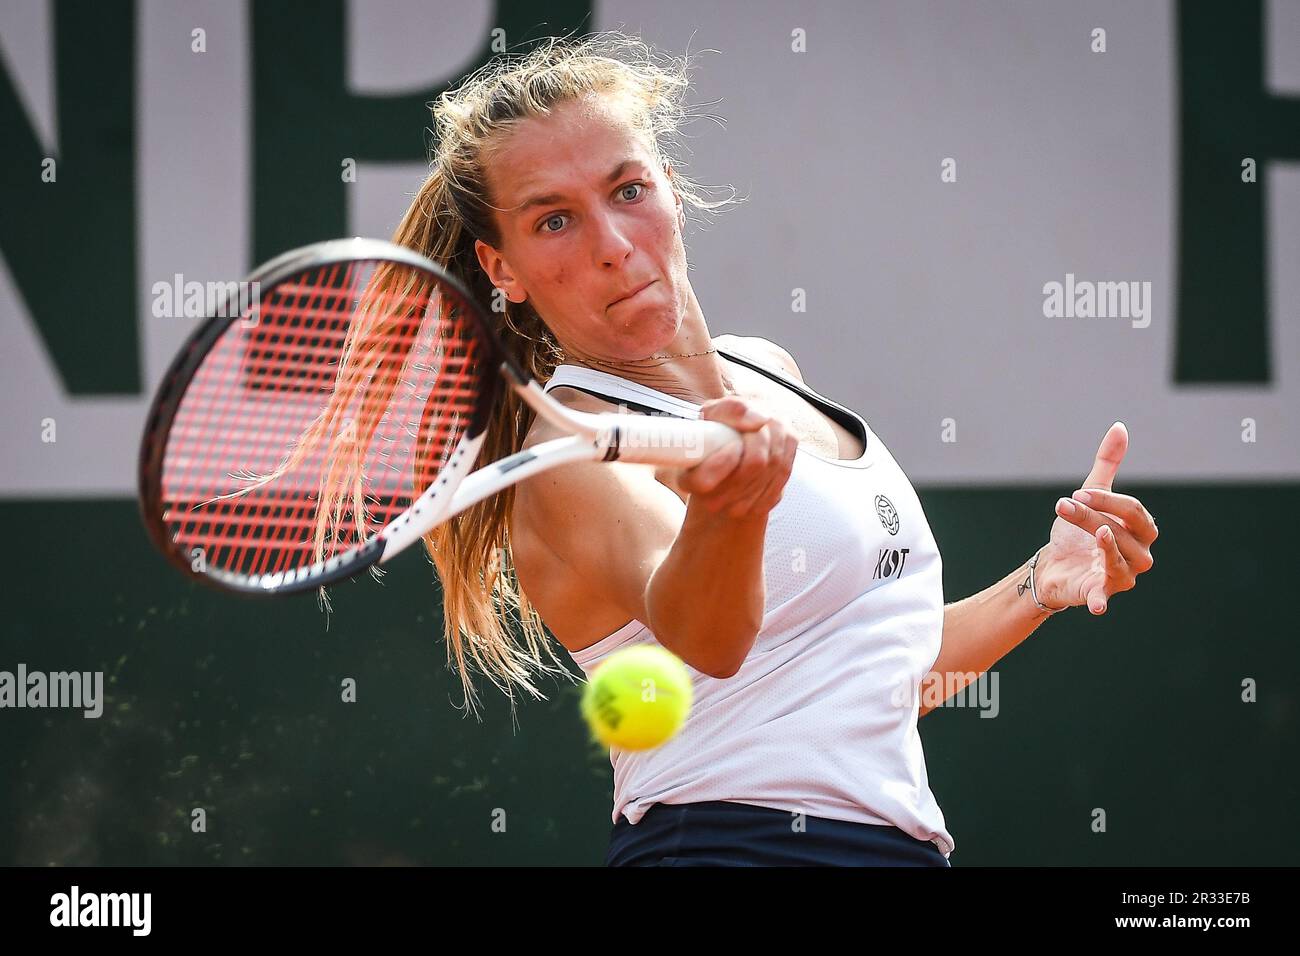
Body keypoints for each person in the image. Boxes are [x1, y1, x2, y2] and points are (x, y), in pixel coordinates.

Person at [367, 32, 1159, 866]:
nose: (610, 242)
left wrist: (1040, 583)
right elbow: (705, 635)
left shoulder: (770, 368)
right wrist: (727, 510)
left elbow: (880, 682)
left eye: (628, 189)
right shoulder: (569, 451)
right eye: (554, 219)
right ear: (504, 266)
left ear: (670, 189)